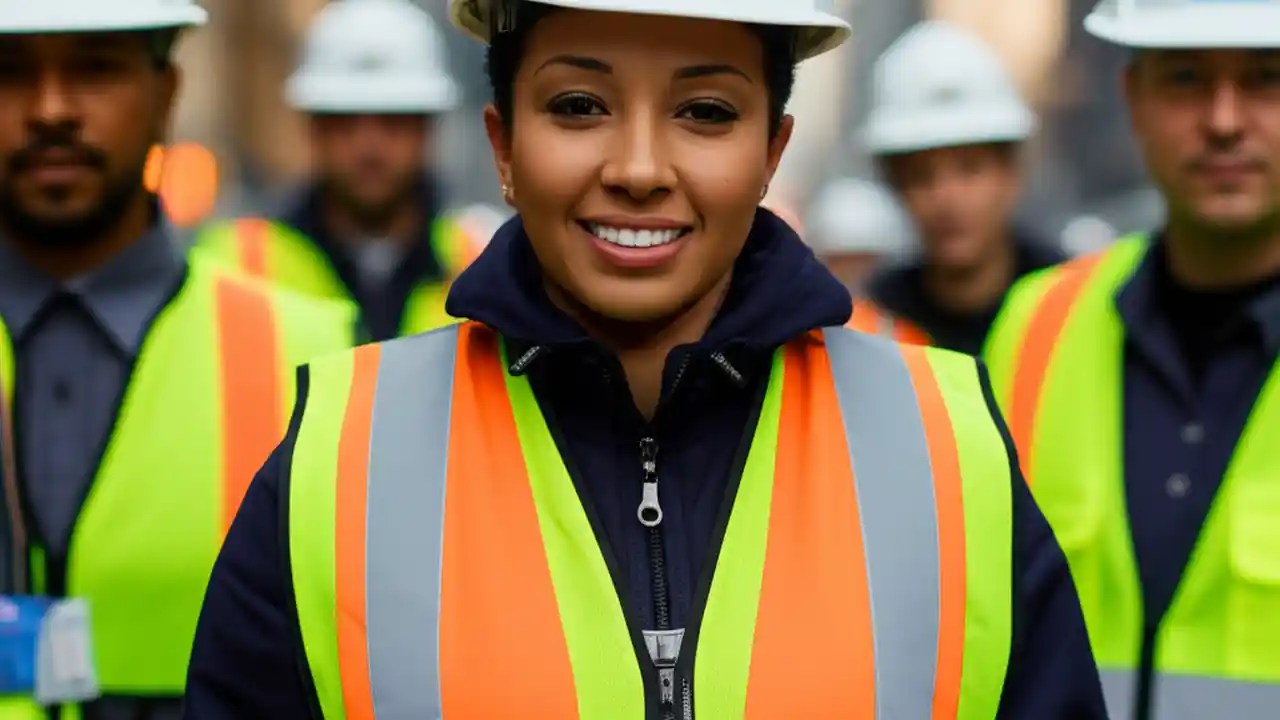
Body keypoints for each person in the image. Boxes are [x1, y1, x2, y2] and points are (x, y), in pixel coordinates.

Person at [185, 0, 1107, 716]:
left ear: (772, 150)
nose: (637, 165)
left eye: (705, 111)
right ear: (503, 143)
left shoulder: (948, 451)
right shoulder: (340, 462)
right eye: (579, 105)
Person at [0, 1, 355, 717]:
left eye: (95, 70)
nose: (52, 109)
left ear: (168, 94)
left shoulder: (315, 359)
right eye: (8, 75)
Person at [985, 1, 1280, 717]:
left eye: (1266, 80)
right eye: (1185, 78)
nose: (1224, 120)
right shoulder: (1037, 323)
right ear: (1133, 98)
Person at [192, 0, 481, 341]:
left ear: (427, 130)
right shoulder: (234, 263)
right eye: (345, 122)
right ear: (312, 129)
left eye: (393, 121)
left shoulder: (478, 264)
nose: (368, 147)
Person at [862, 21, 1064, 355]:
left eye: (970, 169)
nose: (947, 198)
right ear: (895, 186)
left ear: (1011, 173)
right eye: (922, 176)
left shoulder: (1073, 305)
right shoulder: (871, 325)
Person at [806, 177, 932, 343]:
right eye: (841, 261)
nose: (852, 272)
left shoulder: (907, 337)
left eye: (862, 260)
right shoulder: (799, 331)